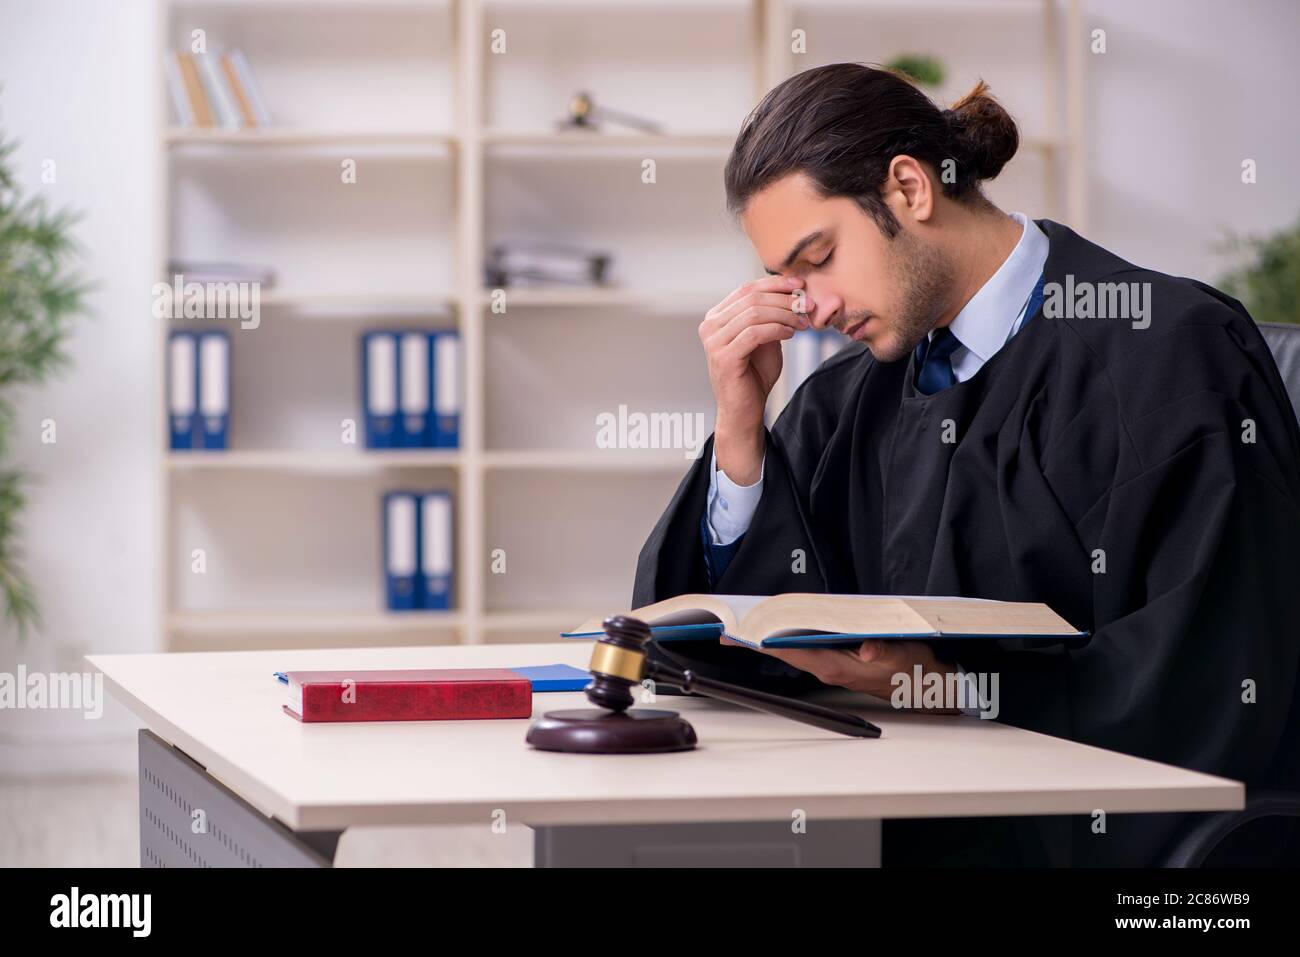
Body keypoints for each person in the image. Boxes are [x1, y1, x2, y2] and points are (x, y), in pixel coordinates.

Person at [632, 63, 1300, 866]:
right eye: (785, 279)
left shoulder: (1169, 354)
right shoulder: (849, 397)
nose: (809, 306)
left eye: (818, 259)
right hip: (890, 814)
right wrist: (741, 428)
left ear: (910, 189)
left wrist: (952, 684)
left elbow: (1209, 681)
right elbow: (729, 640)